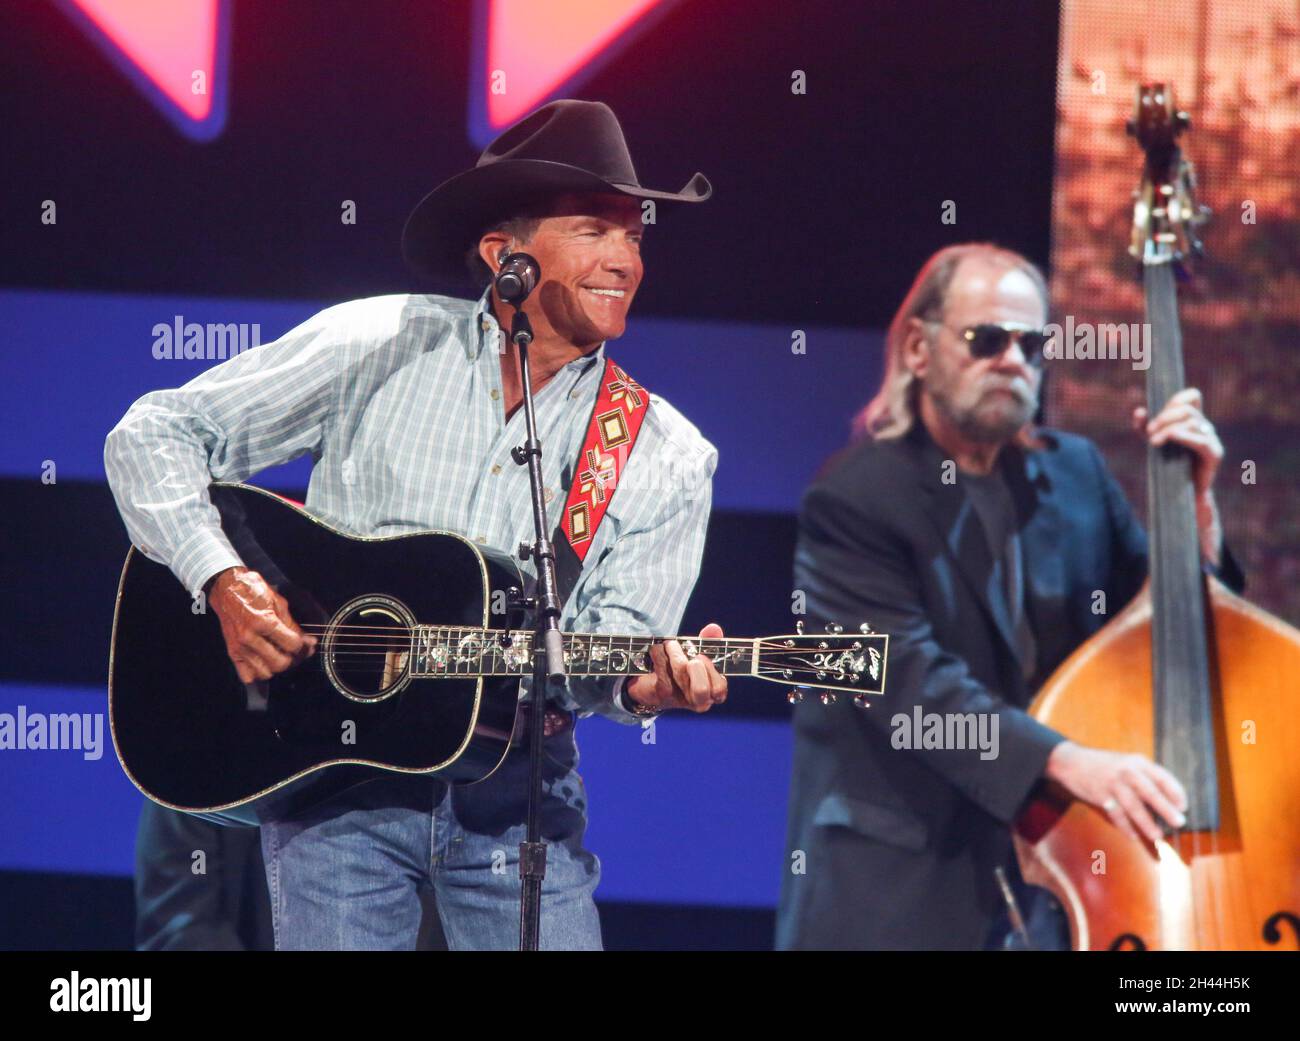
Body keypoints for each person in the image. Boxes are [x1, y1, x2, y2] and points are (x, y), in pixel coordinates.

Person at [105, 99, 727, 950]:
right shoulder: (380, 340)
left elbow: (607, 649)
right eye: (593, 231)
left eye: (636, 237)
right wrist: (223, 578)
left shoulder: (667, 453)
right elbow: (154, 432)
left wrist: (642, 683)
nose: (625, 259)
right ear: (503, 255)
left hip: (517, 805)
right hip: (335, 783)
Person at [776, 243, 1242, 950]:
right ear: (919, 348)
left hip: (1059, 890)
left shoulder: (1076, 472)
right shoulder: (855, 496)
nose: (1013, 360)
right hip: (898, 893)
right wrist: (1067, 759)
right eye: (986, 339)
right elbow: (905, 682)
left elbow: (1165, 635)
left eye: (1032, 343)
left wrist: (1197, 510)